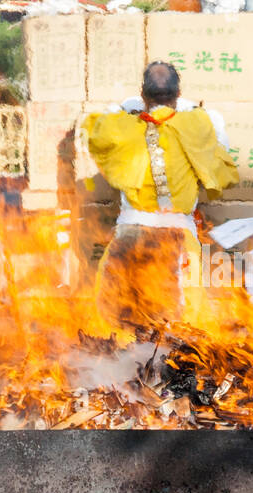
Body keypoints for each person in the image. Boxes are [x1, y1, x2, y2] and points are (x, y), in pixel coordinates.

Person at [82, 61, 238, 331]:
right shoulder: (198, 124)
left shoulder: (120, 125)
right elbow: (221, 152)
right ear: (178, 94)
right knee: (184, 329)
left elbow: (96, 127)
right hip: (177, 237)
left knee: (115, 322)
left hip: (129, 235)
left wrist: (135, 109)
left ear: (143, 94)